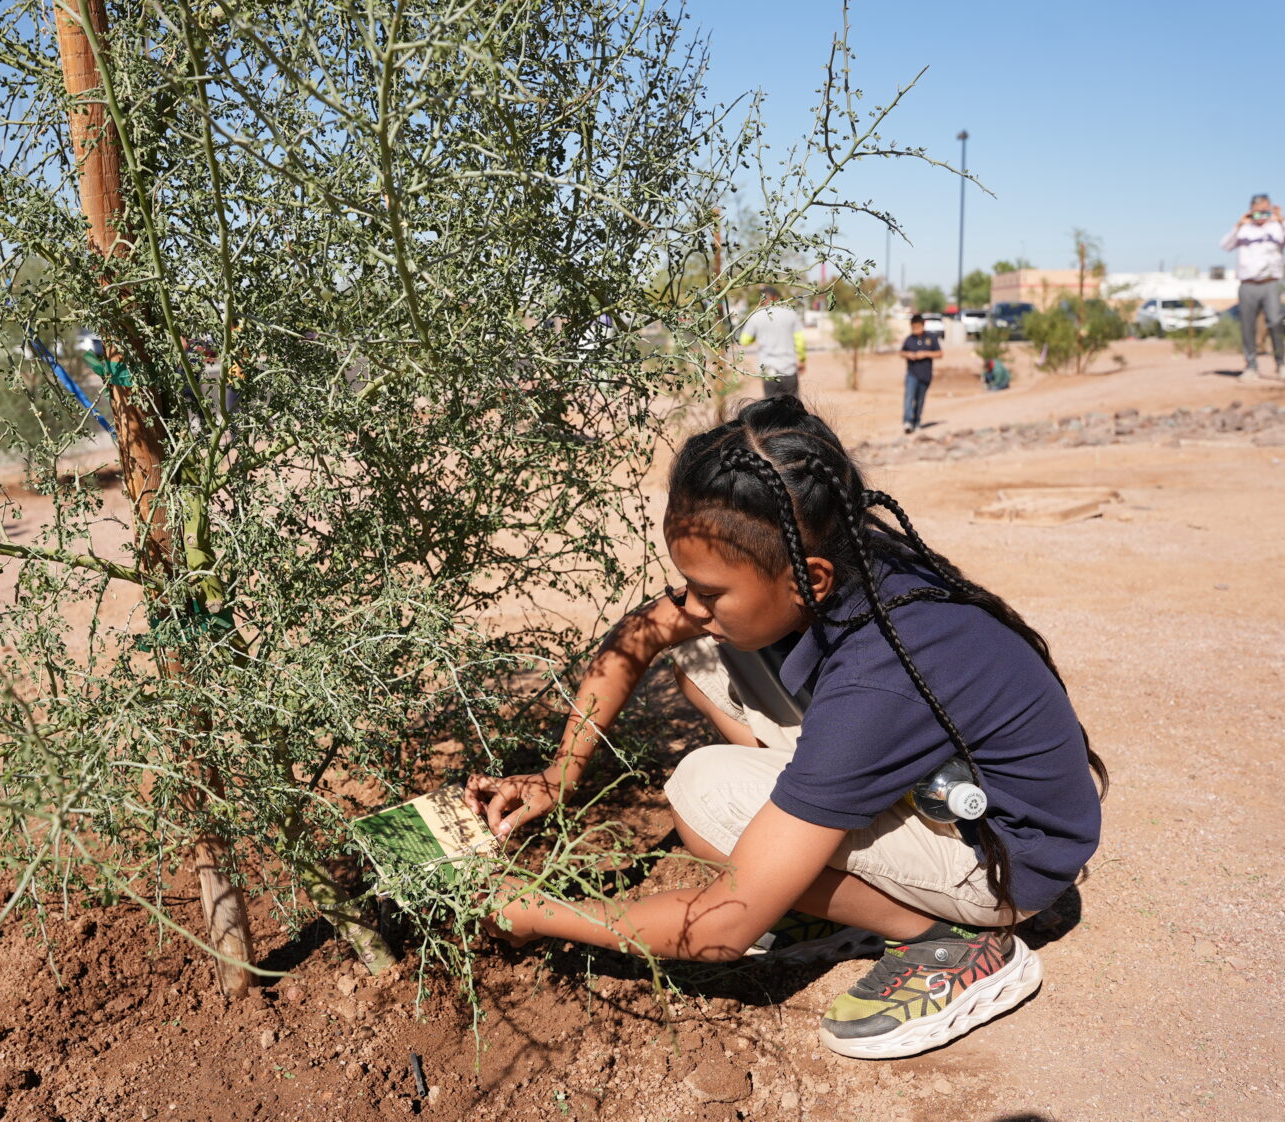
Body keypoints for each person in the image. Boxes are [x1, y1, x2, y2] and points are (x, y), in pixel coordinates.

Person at [467, 395, 1106, 1060]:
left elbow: (719, 930)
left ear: (812, 580)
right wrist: (560, 774)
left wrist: (533, 911)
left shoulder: (878, 677)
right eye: (688, 584)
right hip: (948, 789)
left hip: (1003, 861)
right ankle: (799, 863)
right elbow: (643, 633)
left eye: (710, 591)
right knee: (697, 654)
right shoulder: (836, 551)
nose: (690, 604)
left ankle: (945, 938)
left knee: (707, 794)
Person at [1219, 194, 1285, 379]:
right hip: (1247, 283)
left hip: (1270, 282)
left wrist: (1282, 220)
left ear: (1270, 209)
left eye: (1266, 211)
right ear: (1251, 211)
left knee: (1276, 322)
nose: (1262, 215)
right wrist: (1238, 225)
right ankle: (1251, 366)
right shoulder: (1244, 229)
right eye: (1258, 212)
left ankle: (1281, 363)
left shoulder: (1277, 227)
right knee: (1247, 326)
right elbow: (1224, 245)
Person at [737, 286, 806, 398]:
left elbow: (744, 341)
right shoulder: (790, 314)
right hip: (788, 369)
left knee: (771, 404)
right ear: (777, 297)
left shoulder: (756, 316)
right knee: (793, 404)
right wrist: (802, 360)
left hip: (769, 371)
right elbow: (800, 340)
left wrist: (758, 335)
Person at [899, 313, 941, 433]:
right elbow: (901, 352)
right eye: (913, 328)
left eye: (917, 327)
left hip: (925, 375)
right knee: (909, 397)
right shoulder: (909, 339)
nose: (915, 330)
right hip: (912, 374)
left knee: (920, 400)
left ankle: (917, 421)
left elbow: (940, 353)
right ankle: (908, 421)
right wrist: (908, 354)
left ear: (923, 325)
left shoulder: (931, 338)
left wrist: (925, 354)